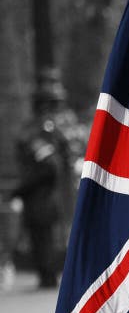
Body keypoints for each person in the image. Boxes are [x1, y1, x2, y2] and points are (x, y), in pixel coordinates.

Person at [11, 75, 71, 289]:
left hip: (43, 195)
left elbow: (50, 166)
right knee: (41, 235)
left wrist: (20, 189)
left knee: (44, 235)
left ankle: (48, 275)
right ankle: (46, 274)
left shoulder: (43, 130)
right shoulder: (41, 130)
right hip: (42, 195)